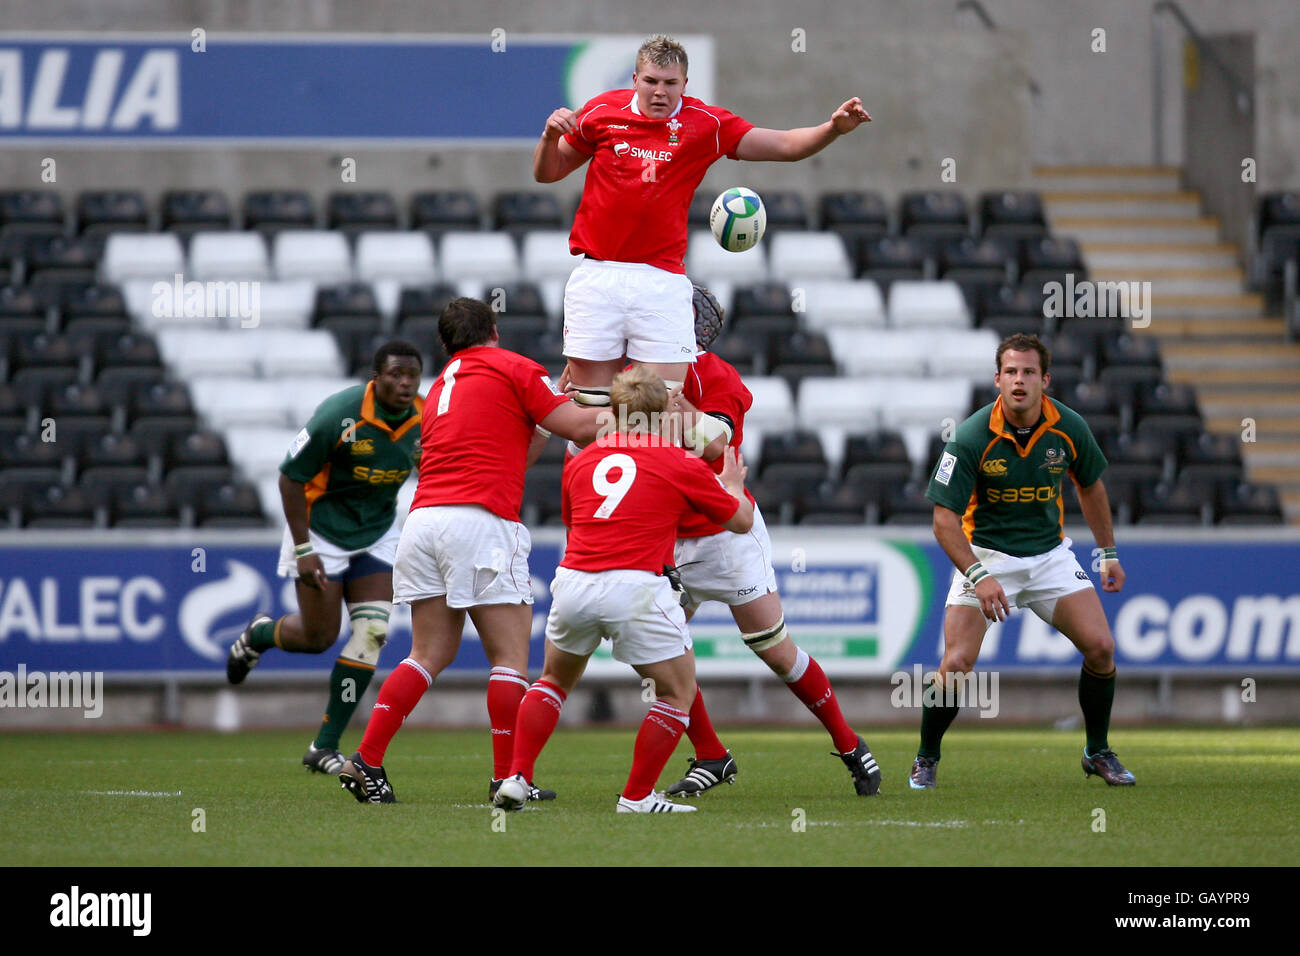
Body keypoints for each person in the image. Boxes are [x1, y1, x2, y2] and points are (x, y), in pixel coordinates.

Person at [337, 298, 606, 804]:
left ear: (445, 344)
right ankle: (508, 776)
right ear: (495, 329)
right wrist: (639, 407)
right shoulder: (514, 367)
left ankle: (367, 760)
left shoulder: (441, 387)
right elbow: (584, 430)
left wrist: (544, 414)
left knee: (427, 653)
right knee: (508, 656)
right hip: (479, 521)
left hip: (422, 522)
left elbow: (513, 457)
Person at [533, 32, 870, 415]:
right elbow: (548, 173)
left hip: (661, 282)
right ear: (634, 80)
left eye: (670, 83)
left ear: (684, 84)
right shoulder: (600, 112)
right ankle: (587, 475)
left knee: (657, 411)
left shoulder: (705, 124)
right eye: (651, 82)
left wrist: (833, 129)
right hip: (597, 277)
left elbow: (786, 146)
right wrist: (548, 138)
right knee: (589, 411)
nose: (659, 92)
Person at [494, 365, 753, 814]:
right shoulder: (677, 459)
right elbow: (740, 522)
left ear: (613, 409)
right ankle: (635, 798)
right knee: (676, 692)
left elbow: (575, 524)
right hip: (634, 586)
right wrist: (733, 485)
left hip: (574, 580)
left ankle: (516, 776)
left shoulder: (582, 459)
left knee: (553, 680)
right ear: (664, 410)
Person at [663, 286, 883, 797]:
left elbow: (715, 442)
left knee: (774, 650)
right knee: (659, 652)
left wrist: (673, 405)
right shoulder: (636, 374)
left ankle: (850, 744)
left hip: (726, 531)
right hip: (667, 537)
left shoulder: (714, 375)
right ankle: (712, 754)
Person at [912, 332, 1134, 789]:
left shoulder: (1069, 427)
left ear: (1044, 381)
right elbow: (943, 521)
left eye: (1028, 372)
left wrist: (1107, 553)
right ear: (997, 380)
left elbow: (1090, 485)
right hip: (987, 557)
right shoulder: (971, 436)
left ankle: (1097, 751)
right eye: (1011, 371)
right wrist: (978, 574)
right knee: (956, 664)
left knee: (1103, 648)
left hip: (1050, 557)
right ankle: (926, 757)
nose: (1019, 380)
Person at [225, 341, 423, 777]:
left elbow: (435, 471)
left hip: (377, 532)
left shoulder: (422, 420)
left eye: (412, 375)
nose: (405, 383)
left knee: (372, 633)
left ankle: (324, 746)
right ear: (376, 377)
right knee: (318, 637)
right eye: (395, 374)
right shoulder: (339, 414)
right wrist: (303, 549)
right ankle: (261, 634)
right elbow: (289, 478)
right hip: (321, 531)